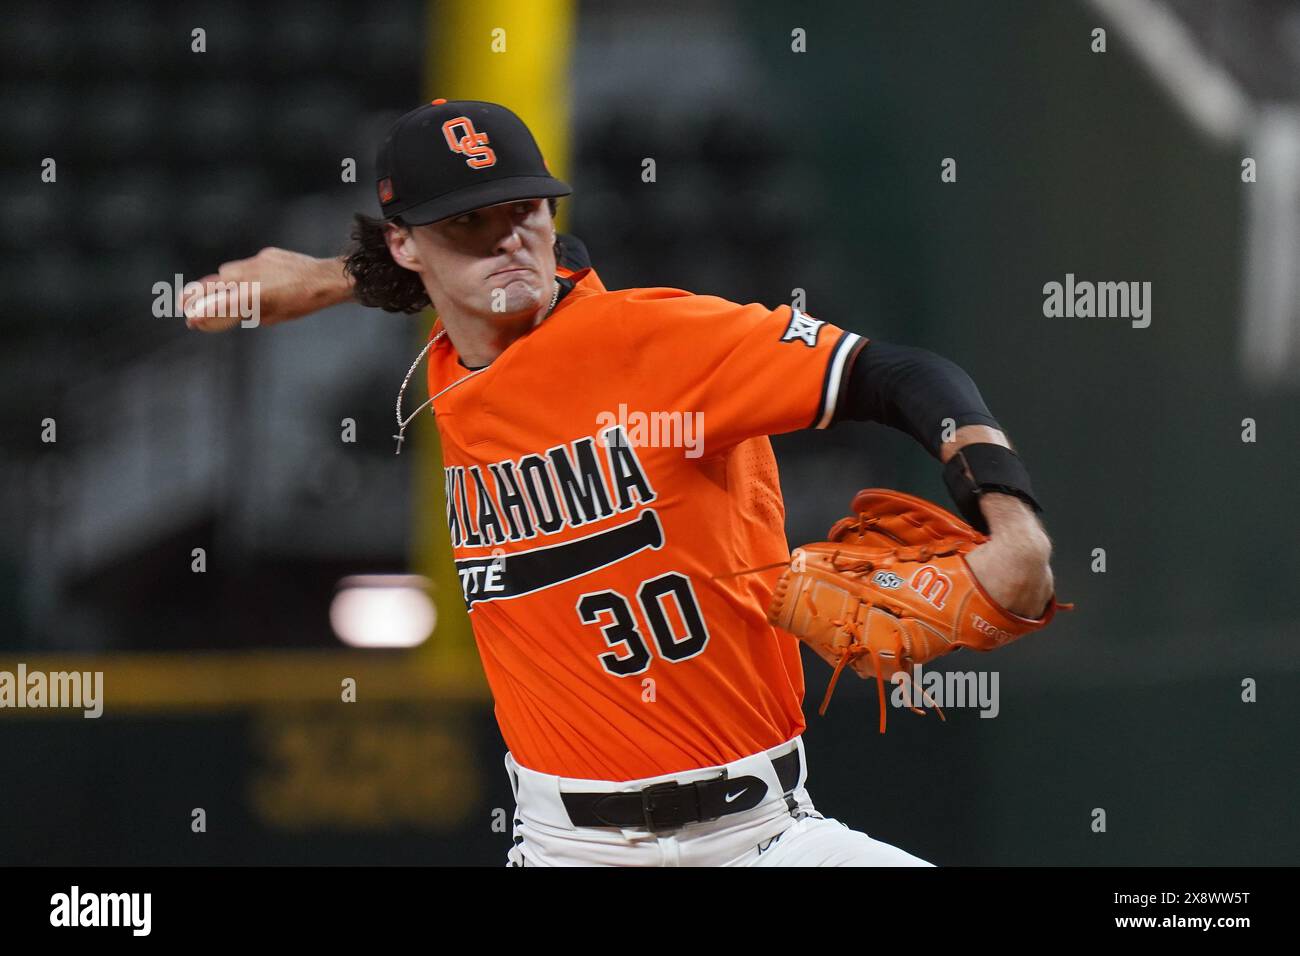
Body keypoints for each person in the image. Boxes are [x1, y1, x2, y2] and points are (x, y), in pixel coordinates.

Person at [184, 99, 1057, 866]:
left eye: (521, 209)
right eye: (466, 222)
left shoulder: (657, 342)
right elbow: (465, 287)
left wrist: (1011, 523)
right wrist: (329, 279)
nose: (504, 238)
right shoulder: (454, 357)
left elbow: (903, 374)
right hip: (565, 848)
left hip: (764, 839)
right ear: (406, 246)